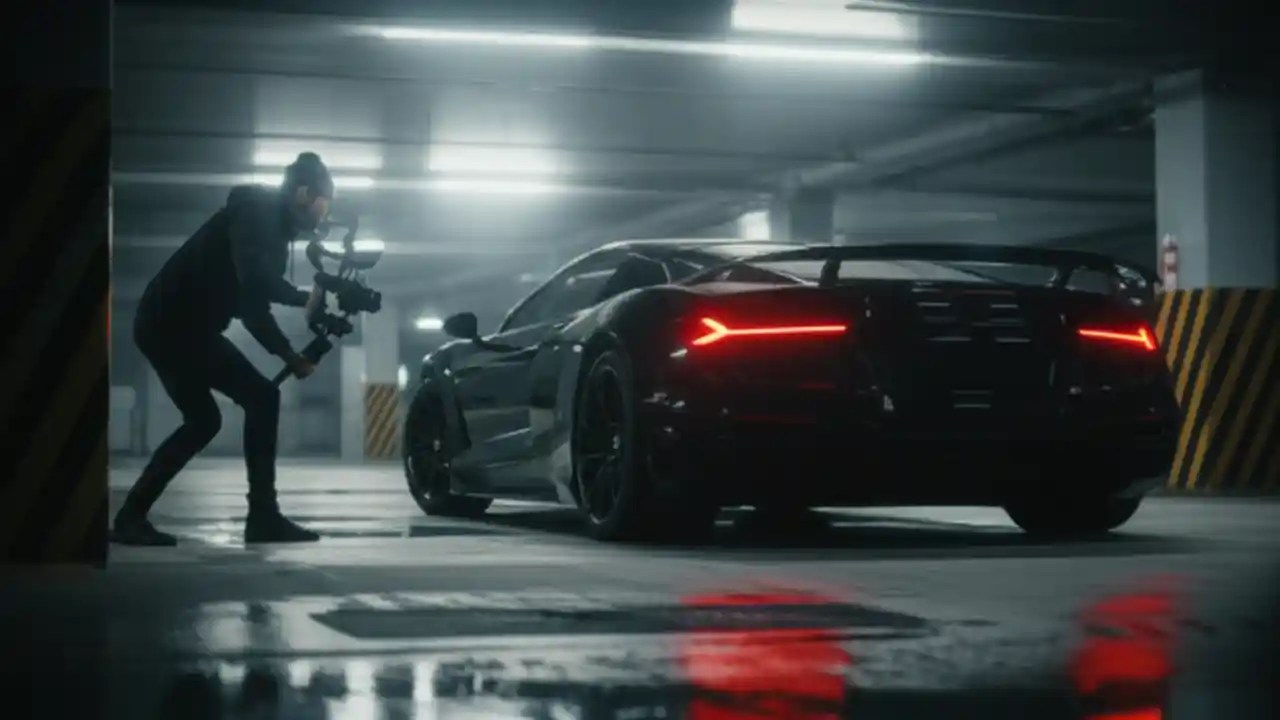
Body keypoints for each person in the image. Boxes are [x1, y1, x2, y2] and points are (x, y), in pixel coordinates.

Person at [111, 152, 334, 546]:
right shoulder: (257, 213)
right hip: (175, 325)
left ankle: (131, 516)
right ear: (303, 193)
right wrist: (301, 309)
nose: (323, 213)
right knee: (262, 399)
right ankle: (263, 517)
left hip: (170, 325)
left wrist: (292, 345)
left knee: (204, 422)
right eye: (323, 202)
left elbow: (252, 307)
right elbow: (255, 282)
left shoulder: (274, 231)